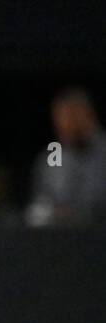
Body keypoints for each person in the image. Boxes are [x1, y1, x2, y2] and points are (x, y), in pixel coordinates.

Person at [27, 87, 106, 226]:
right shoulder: (51, 156)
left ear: (89, 116)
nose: (66, 124)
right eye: (60, 118)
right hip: (63, 240)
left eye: (73, 117)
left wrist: (81, 212)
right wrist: (52, 212)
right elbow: (39, 207)